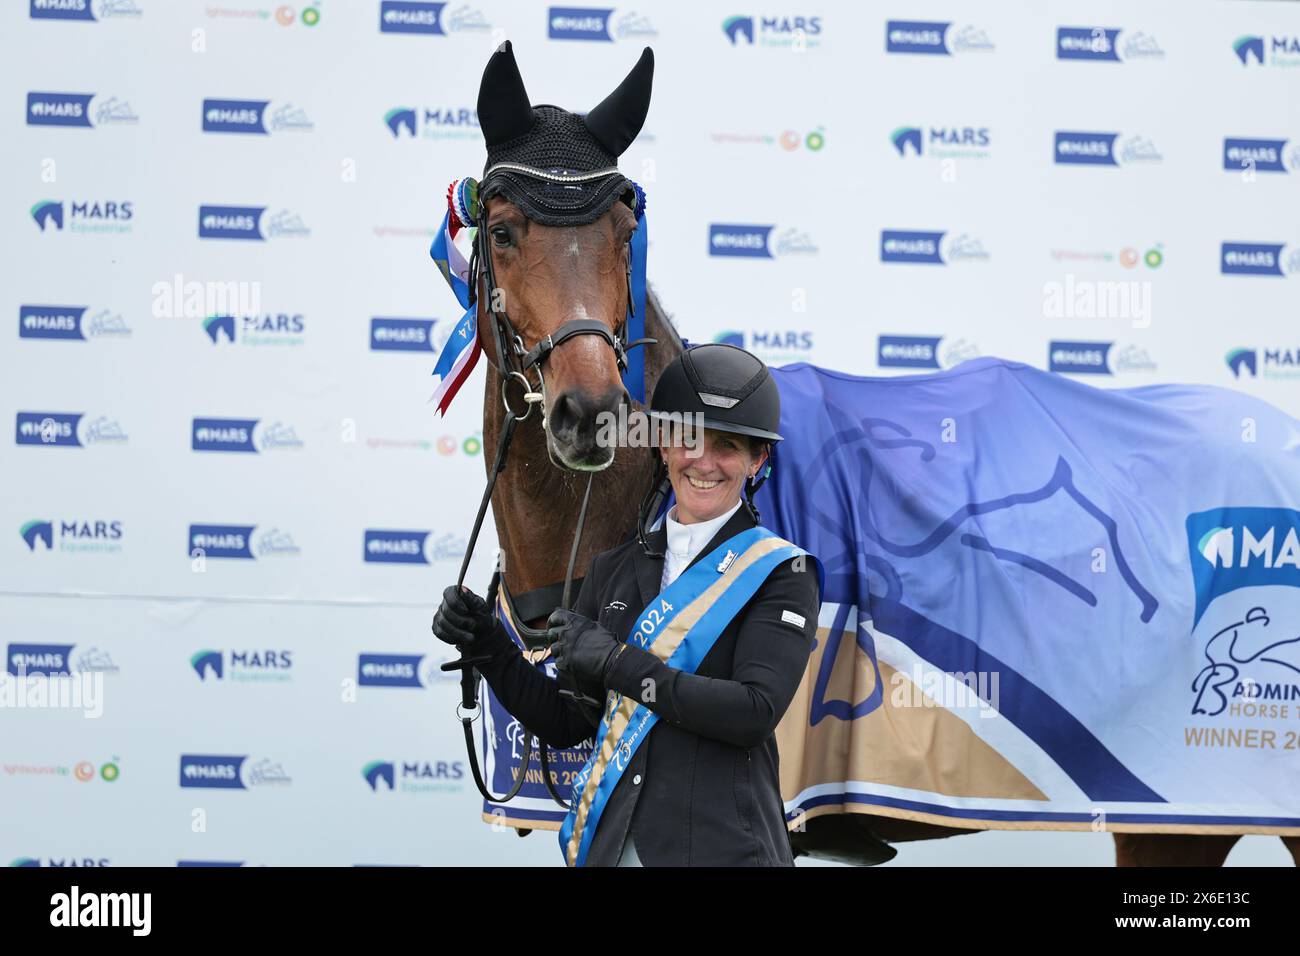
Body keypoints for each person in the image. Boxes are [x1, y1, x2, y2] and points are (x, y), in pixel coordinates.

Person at [433, 343, 824, 866]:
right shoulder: (612, 569)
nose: (703, 462)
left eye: (727, 445)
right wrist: (487, 643)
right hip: (617, 851)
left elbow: (751, 712)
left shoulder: (781, 572)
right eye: (688, 439)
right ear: (662, 445)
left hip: (726, 850)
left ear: (757, 460)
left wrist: (617, 662)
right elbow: (570, 721)